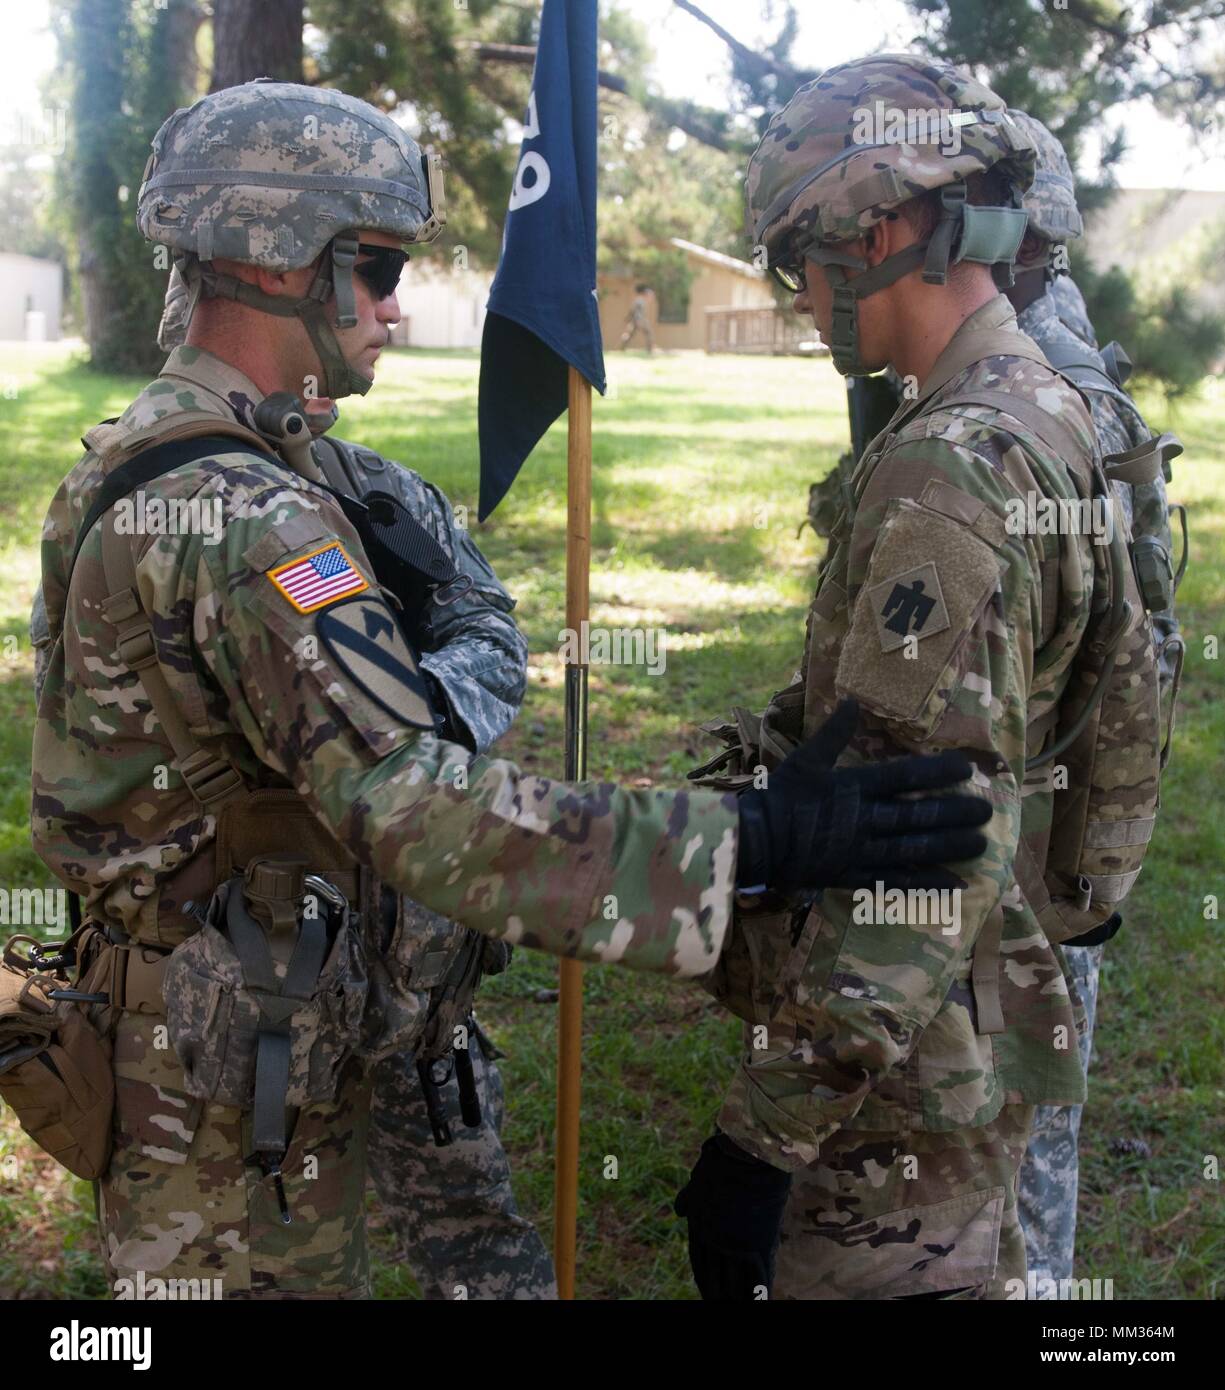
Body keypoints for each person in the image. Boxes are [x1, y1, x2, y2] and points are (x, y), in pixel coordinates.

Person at [28, 79, 989, 1299]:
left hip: (220, 1027)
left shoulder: (163, 452)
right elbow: (419, 809)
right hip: (221, 1092)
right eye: (374, 265)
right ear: (278, 260)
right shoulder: (249, 514)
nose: (393, 301)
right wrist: (746, 840)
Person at [677, 53, 1159, 1301]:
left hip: (895, 1097)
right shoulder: (1050, 409)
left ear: (880, 228)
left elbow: (921, 846)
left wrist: (760, 1136)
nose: (796, 298)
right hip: (970, 1031)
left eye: (798, 259)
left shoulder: (953, 466)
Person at [145, 267, 558, 1301]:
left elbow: (491, 628)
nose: (385, 314)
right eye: (363, 282)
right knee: (275, 1249)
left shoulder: (382, 494)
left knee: (472, 1224)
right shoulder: (180, 516)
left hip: (420, 971)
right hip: (268, 979)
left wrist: (409, 712)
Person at [1001, 108, 1182, 1290]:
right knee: (1031, 1140)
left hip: (1030, 854)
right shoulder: (1057, 359)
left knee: (1012, 1155)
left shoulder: (1040, 395)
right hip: (1067, 846)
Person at [618, 284, 655, 352]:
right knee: (648, 333)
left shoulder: (642, 300)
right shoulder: (639, 300)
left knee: (630, 334)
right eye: (649, 294)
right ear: (645, 293)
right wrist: (629, 319)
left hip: (638, 320)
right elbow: (633, 310)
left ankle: (622, 348)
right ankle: (650, 349)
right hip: (639, 320)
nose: (651, 296)